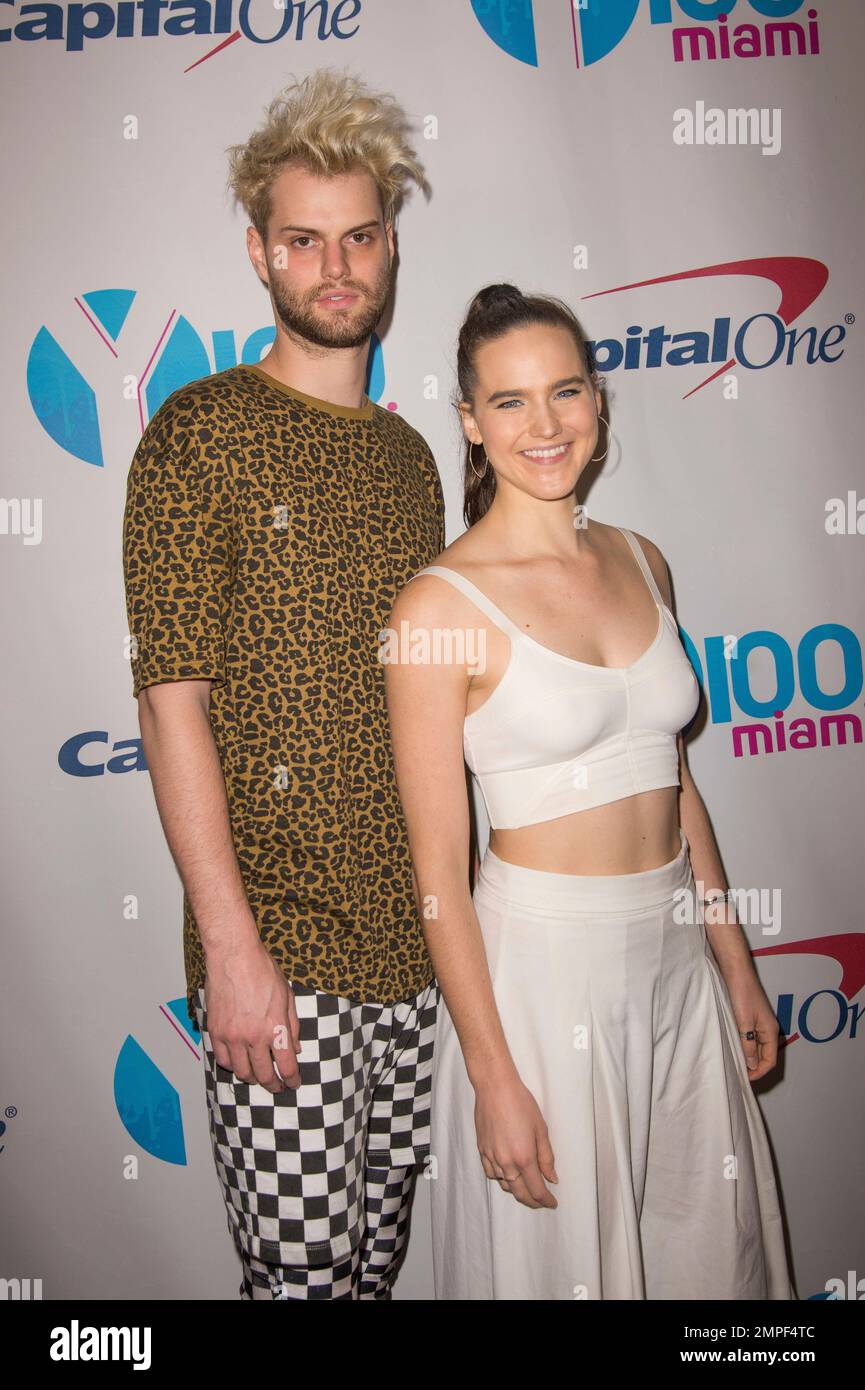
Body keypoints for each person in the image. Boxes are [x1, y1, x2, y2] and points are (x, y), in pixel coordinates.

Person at [384, 283, 797, 1300]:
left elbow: (675, 782)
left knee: (712, 1262)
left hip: (675, 960)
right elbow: (437, 868)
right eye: (511, 402)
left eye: (565, 392)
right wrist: (490, 1074)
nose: (545, 424)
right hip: (541, 977)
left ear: (598, 403)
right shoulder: (437, 604)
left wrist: (731, 961)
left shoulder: (641, 558)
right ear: (472, 423)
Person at [121, 69, 446, 1300]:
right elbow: (171, 701)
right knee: (302, 1285)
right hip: (285, 953)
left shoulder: (412, 457)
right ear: (259, 252)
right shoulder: (196, 431)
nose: (335, 266)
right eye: (304, 240)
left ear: (390, 246)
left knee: (369, 1273)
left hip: (410, 946)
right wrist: (233, 945)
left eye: (358, 236)